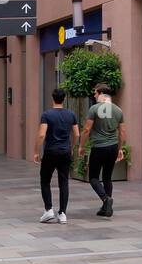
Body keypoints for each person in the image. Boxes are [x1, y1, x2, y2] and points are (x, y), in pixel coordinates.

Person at [33, 87, 79, 224]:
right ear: (64, 99)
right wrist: (72, 147)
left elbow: (41, 134)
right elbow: (77, 134)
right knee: (63, 182)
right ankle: (63, 213)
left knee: (45, 180)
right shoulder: (71, 115)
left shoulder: (47, 115)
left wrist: (36, 151)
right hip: (65, 152)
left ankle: (48, 209)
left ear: (52, 98)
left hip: (51, 152)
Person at [81, 82, 127, 218]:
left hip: (99, 147)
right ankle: (106, 208)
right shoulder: (118, 110)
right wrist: (120, 148)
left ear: (101, 93)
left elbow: (87, 129)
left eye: (95, 92)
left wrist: (82, 146)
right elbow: (122, 131)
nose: (94, 95)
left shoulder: (94, 109)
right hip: (112, 147)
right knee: (107, 177)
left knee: (93, 177)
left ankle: (106, 199)